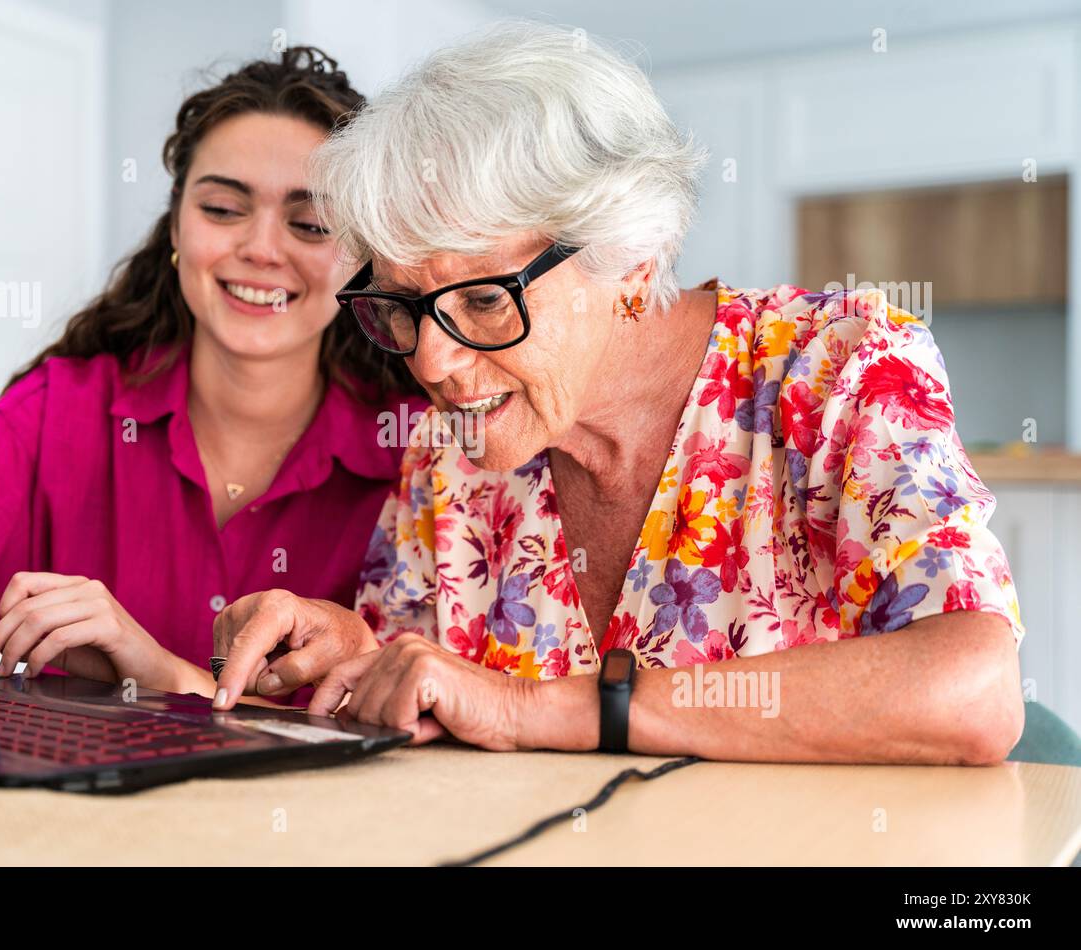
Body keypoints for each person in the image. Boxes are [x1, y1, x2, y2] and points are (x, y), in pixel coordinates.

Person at [210, 22, 1026, 764]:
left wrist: (552, 708)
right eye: (403, 306)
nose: (431, 361)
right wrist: (355, 652)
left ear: (632, 263)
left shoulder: (837, 370)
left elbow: (972, 691)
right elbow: (429, 708)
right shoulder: (451, 449)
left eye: (485, 300)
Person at [0, 47, 424, 699]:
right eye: (223, 210)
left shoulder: (421, 451)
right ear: (176, 224)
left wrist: (163, 675)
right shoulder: (50, 413)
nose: (260, 249)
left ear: (363, 258)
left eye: (311, 223)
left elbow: (426, 720)